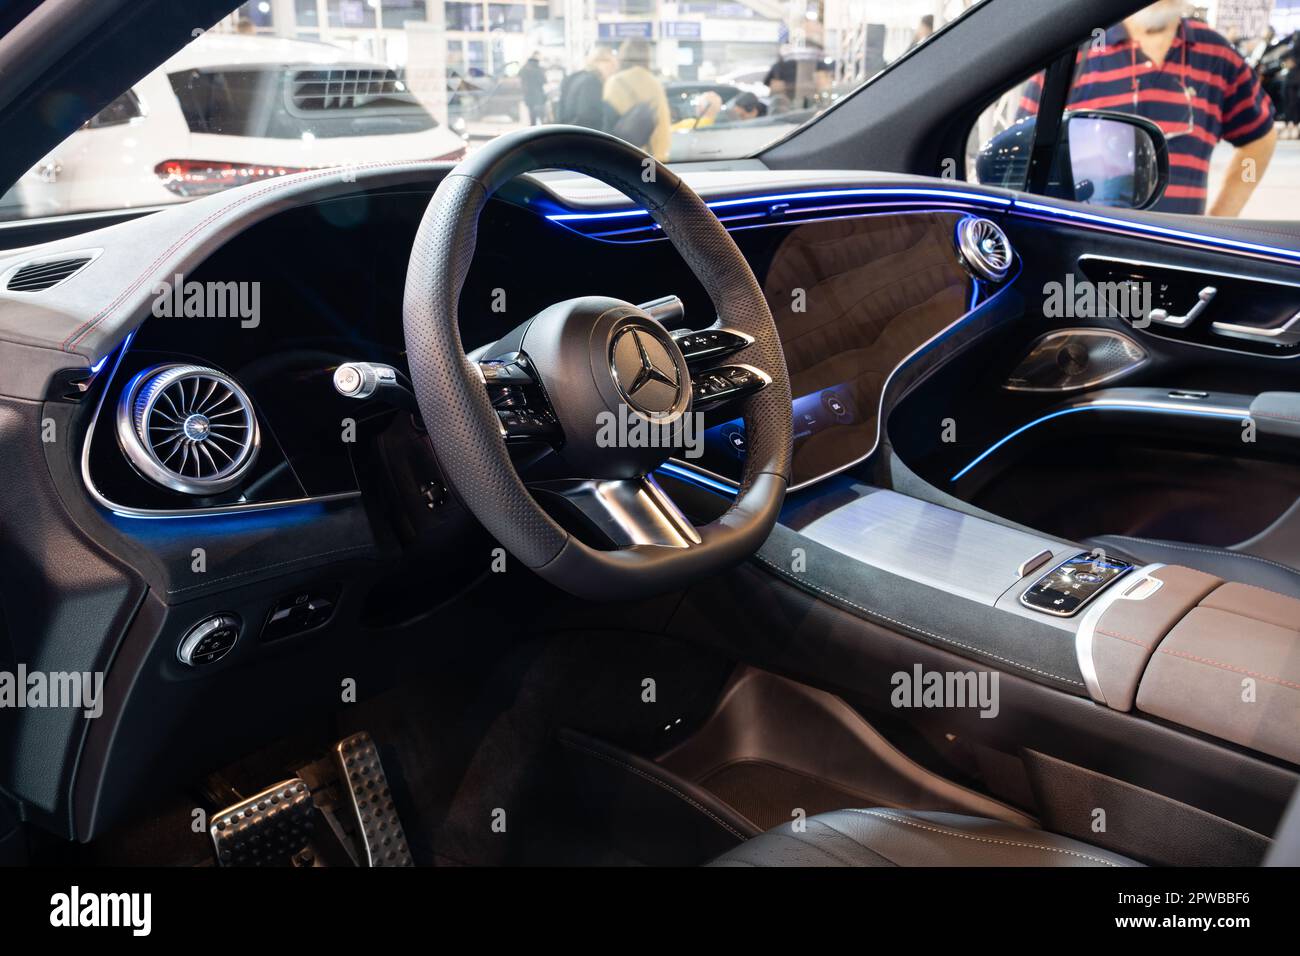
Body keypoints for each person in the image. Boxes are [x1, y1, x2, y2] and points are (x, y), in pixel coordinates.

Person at [1024, 1, 1276, 216]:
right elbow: (1024, 152)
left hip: (1178, 256)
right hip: (1087, 256)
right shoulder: (1076, 52)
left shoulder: (1217, 55)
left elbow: (1259, 140)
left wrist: (1223, 216)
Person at [602, 39, 671, 161]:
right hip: (652, 158)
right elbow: (663, 123)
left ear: (623, 56)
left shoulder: (615, 82)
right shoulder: (654, 83)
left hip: (624, 156)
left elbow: (607, 124)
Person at [556, 48, 617, 130]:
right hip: (583, 135)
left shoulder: (575, 77)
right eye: (612, 65)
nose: (612, 71)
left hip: (568, 131)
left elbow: (560, 109)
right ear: (599, 62)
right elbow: (589, 115)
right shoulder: (592, 82)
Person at [518, 54, 547, 126]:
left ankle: (534, 127)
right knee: (538, 113)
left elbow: (520, 77)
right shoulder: (538, 70)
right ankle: (540, 127)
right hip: (537, 94)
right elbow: (544, 81)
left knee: (532, 113)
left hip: (530, 94)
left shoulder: (524, 69)